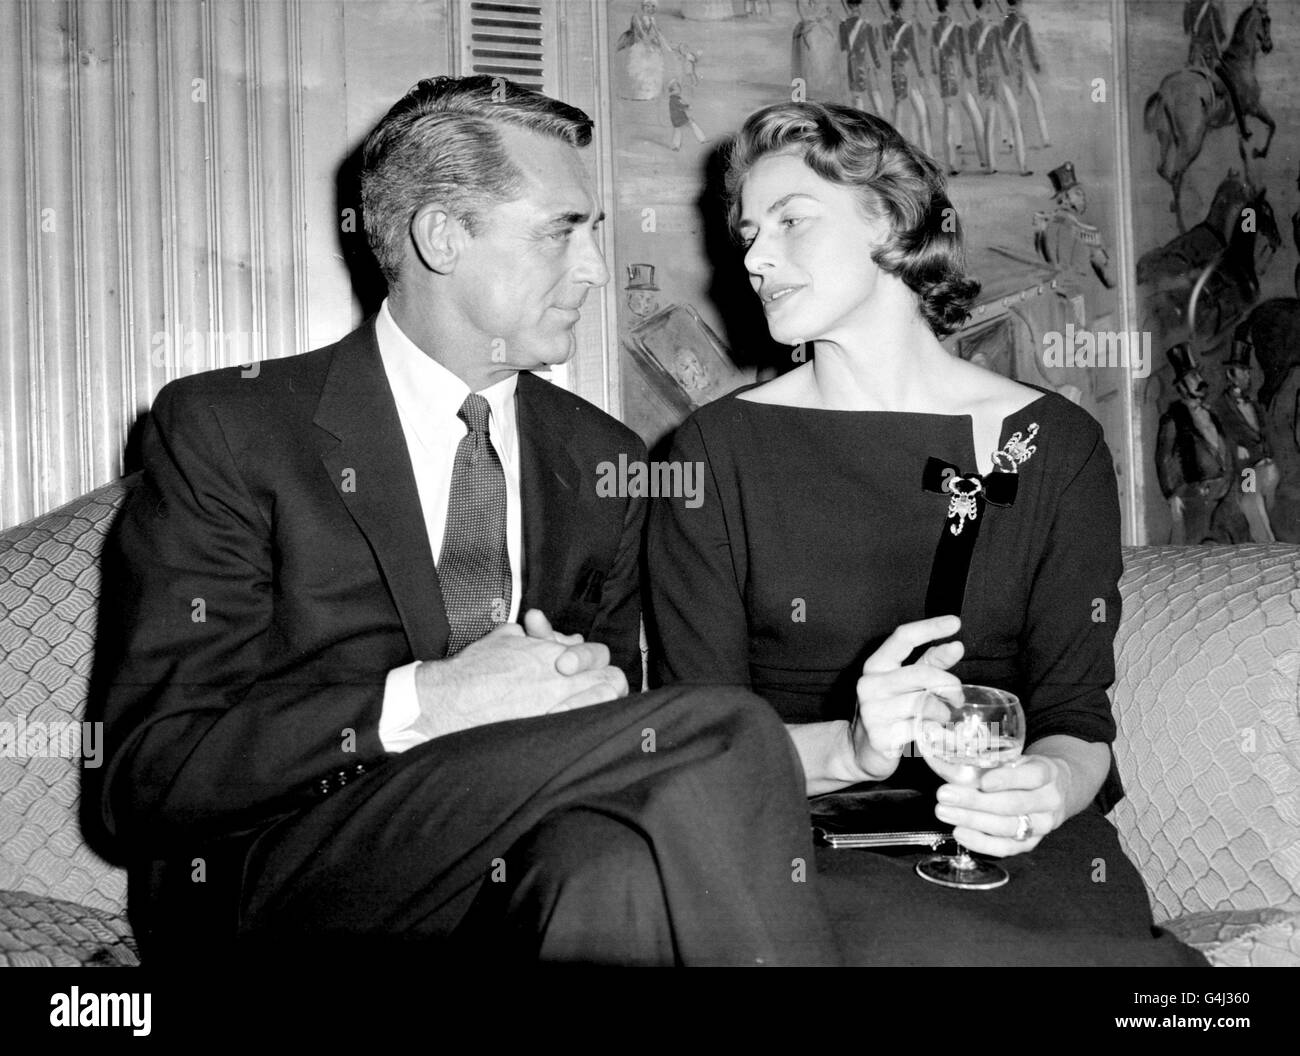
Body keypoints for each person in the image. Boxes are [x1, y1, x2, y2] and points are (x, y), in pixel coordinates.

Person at [91, 76, 839, 967]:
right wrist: (432, 701)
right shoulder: (231, 428)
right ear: (442, 237)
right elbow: (144, 775)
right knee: (724, 729)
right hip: (277, 878)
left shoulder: (605, 460)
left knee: (613, 869)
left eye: (593, 233)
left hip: (512, 867)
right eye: (563, 230)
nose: (596, 269)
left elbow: (604, 734)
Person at [646, 100, 1207, 966]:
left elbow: (1075, 716)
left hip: (1016, 848)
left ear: (894, 221)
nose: (755, 257)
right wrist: (859, 748)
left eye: (792, 221)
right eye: (749, 232)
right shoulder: (711, 455)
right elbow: (699, 747)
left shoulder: (1053, 444)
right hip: (797, 844)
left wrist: (1046, 788)